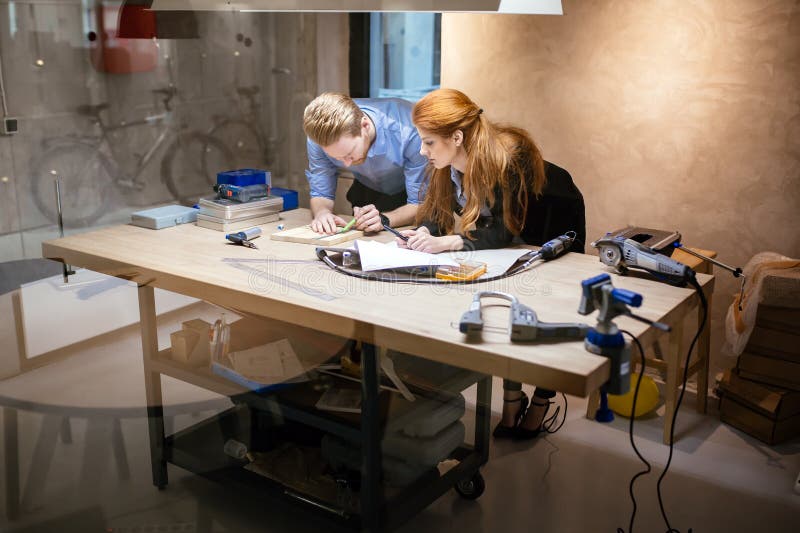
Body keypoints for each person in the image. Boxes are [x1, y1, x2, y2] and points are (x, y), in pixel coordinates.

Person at [400, 88, 586, 439]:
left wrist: (449, 242)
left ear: (456, 137)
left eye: (428, 143)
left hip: (552, 220)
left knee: (541, 306)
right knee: (508, 306)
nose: (423, 152)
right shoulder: (449, 161)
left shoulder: (507, 161)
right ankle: (512, 401)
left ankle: (542, 402)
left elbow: (501, 232)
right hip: (510, 237)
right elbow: (439, 213)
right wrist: (424, 232)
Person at [303, 92, 428, 235]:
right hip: (366, 188)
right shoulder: (319, 138)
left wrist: (384, 219)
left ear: (365, 125)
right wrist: (322, 214)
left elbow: (420, 204)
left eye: (349, 154)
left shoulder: (410, 131)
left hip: (408, 195)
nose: (347, 165)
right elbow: (320, 192)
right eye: (337, 158)